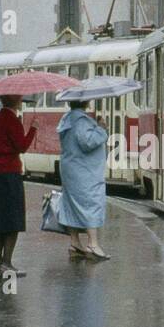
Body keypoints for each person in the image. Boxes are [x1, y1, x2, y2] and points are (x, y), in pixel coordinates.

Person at [0, 92, 36, 277]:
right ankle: (7, 263)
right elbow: (22, 146)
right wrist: (33, 129)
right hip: (10, 173)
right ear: (16, 101)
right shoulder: (12, 120)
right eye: (20, 98)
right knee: (13, 219)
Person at [57, 100, 110, 260]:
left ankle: (74, 242)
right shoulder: (81, 120)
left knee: (71, 204)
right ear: (85, 102)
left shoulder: (66, 119)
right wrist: (101, 129)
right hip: (84, 171)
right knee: (91, 202)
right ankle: (93, 244)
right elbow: (88, 142)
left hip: (70, 168)